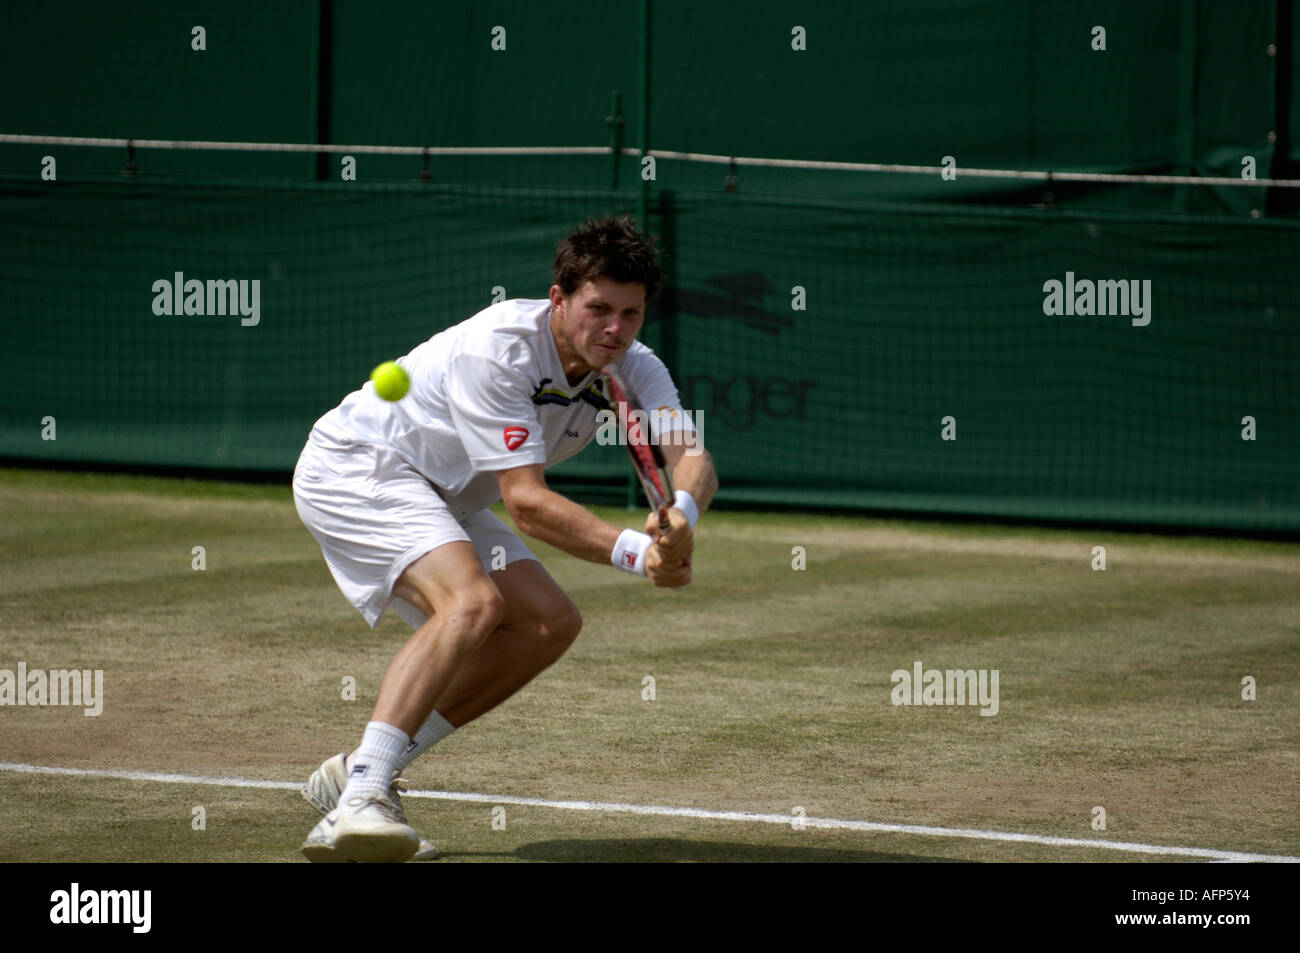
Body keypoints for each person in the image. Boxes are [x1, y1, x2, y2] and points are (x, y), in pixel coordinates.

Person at [292, 215, 718, 862]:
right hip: (361, 465)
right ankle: (362, 798)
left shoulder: (635, 364)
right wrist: (643, 553)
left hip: (444, 493)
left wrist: (682, 512)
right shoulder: (498, 349)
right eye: (597, 308)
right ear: (558, 298)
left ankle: (354, 769)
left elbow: (692, 456)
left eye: (630, 314)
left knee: (548, 623)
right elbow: (527, 504)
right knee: (471, 603)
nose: (613, 328)